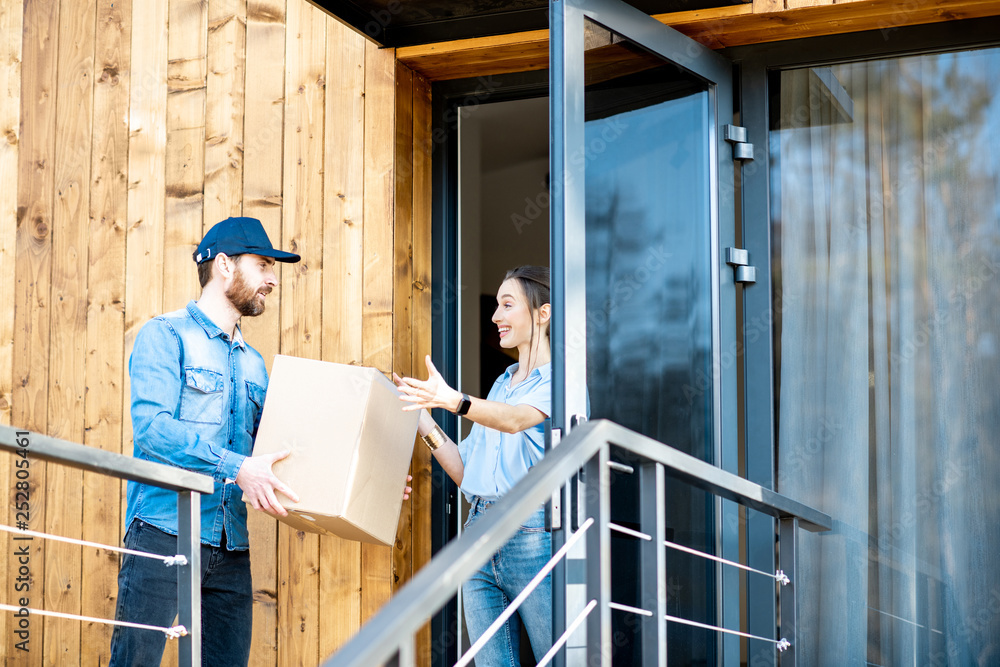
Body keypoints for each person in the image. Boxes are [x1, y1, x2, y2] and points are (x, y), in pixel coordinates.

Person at [110, 216, 413, 666]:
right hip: (163, 534)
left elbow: (274, 450)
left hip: (230, 546)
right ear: (225, 265)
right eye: (264, 265)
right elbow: (153, 431)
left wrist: (365, 475)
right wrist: (236, 467)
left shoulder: (253, 364)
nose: (273, 280)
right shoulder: (166, 335)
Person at [395, 265, 555, 666]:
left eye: (507, 305)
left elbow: (516, 420)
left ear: (543, 313)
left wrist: (454, 400)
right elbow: (468, 471)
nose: (495, 317)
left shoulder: (561, 383)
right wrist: (424, 420)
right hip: (478, 531)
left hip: (532, 535)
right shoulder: (501, 383)